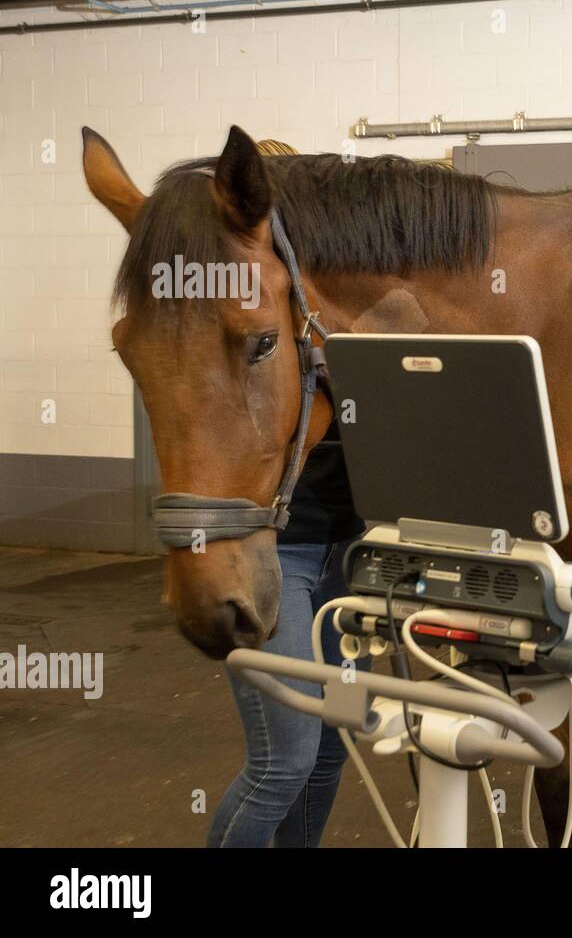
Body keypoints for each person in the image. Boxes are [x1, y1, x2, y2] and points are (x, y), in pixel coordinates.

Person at [207, 139, 368, 847]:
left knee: (332, 746)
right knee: (285, 758)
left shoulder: (338, 299)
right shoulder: (245, 319)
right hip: (282, 551)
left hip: (347, 550)